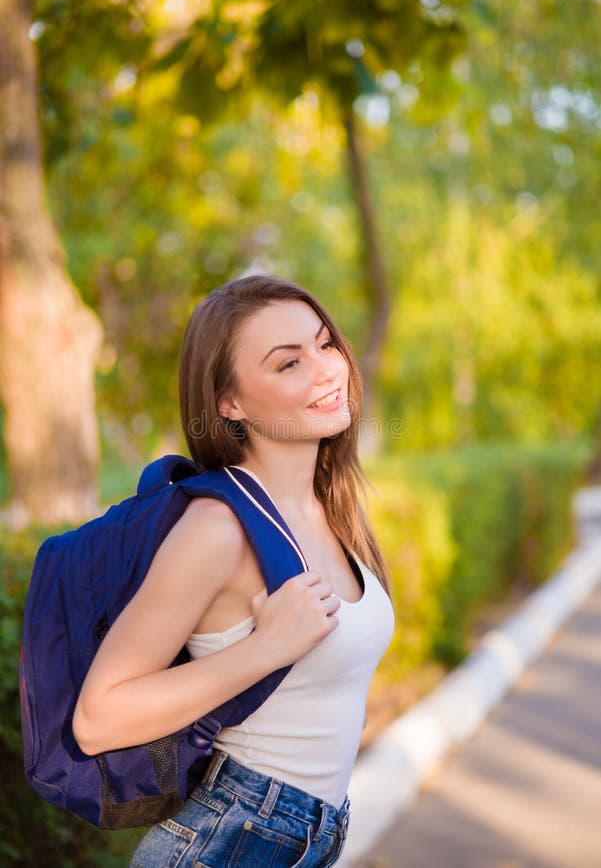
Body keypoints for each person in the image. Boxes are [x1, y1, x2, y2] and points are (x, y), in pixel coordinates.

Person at [73, 274, 395, 867]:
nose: (327, 369)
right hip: (228, 840)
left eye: (326, 344)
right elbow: (99, 718)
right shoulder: (218, 528)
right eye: (288, 363)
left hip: (305, 838)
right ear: (231, 403)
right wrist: (265, 648)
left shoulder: (329, 506)